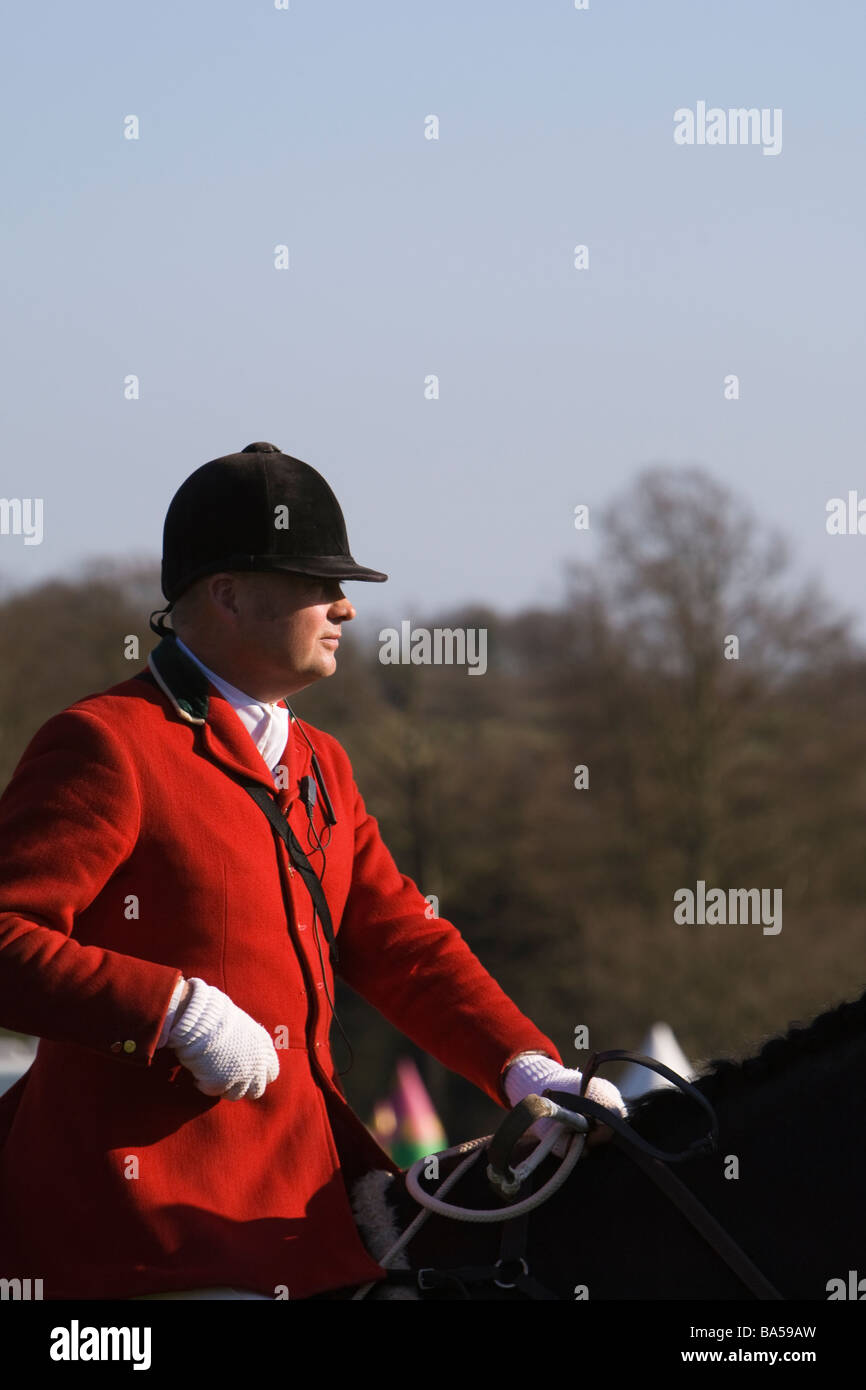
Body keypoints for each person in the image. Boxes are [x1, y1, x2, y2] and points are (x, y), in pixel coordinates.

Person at [0, 441, 624, 1300]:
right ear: (228, 593)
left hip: (309, 1214)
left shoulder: (321, 762)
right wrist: (171, 1013)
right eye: (319, 586)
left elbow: (400, 941)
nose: (345, 609)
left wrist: (525, 1066)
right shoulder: (108, 744)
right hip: (142, 1237)